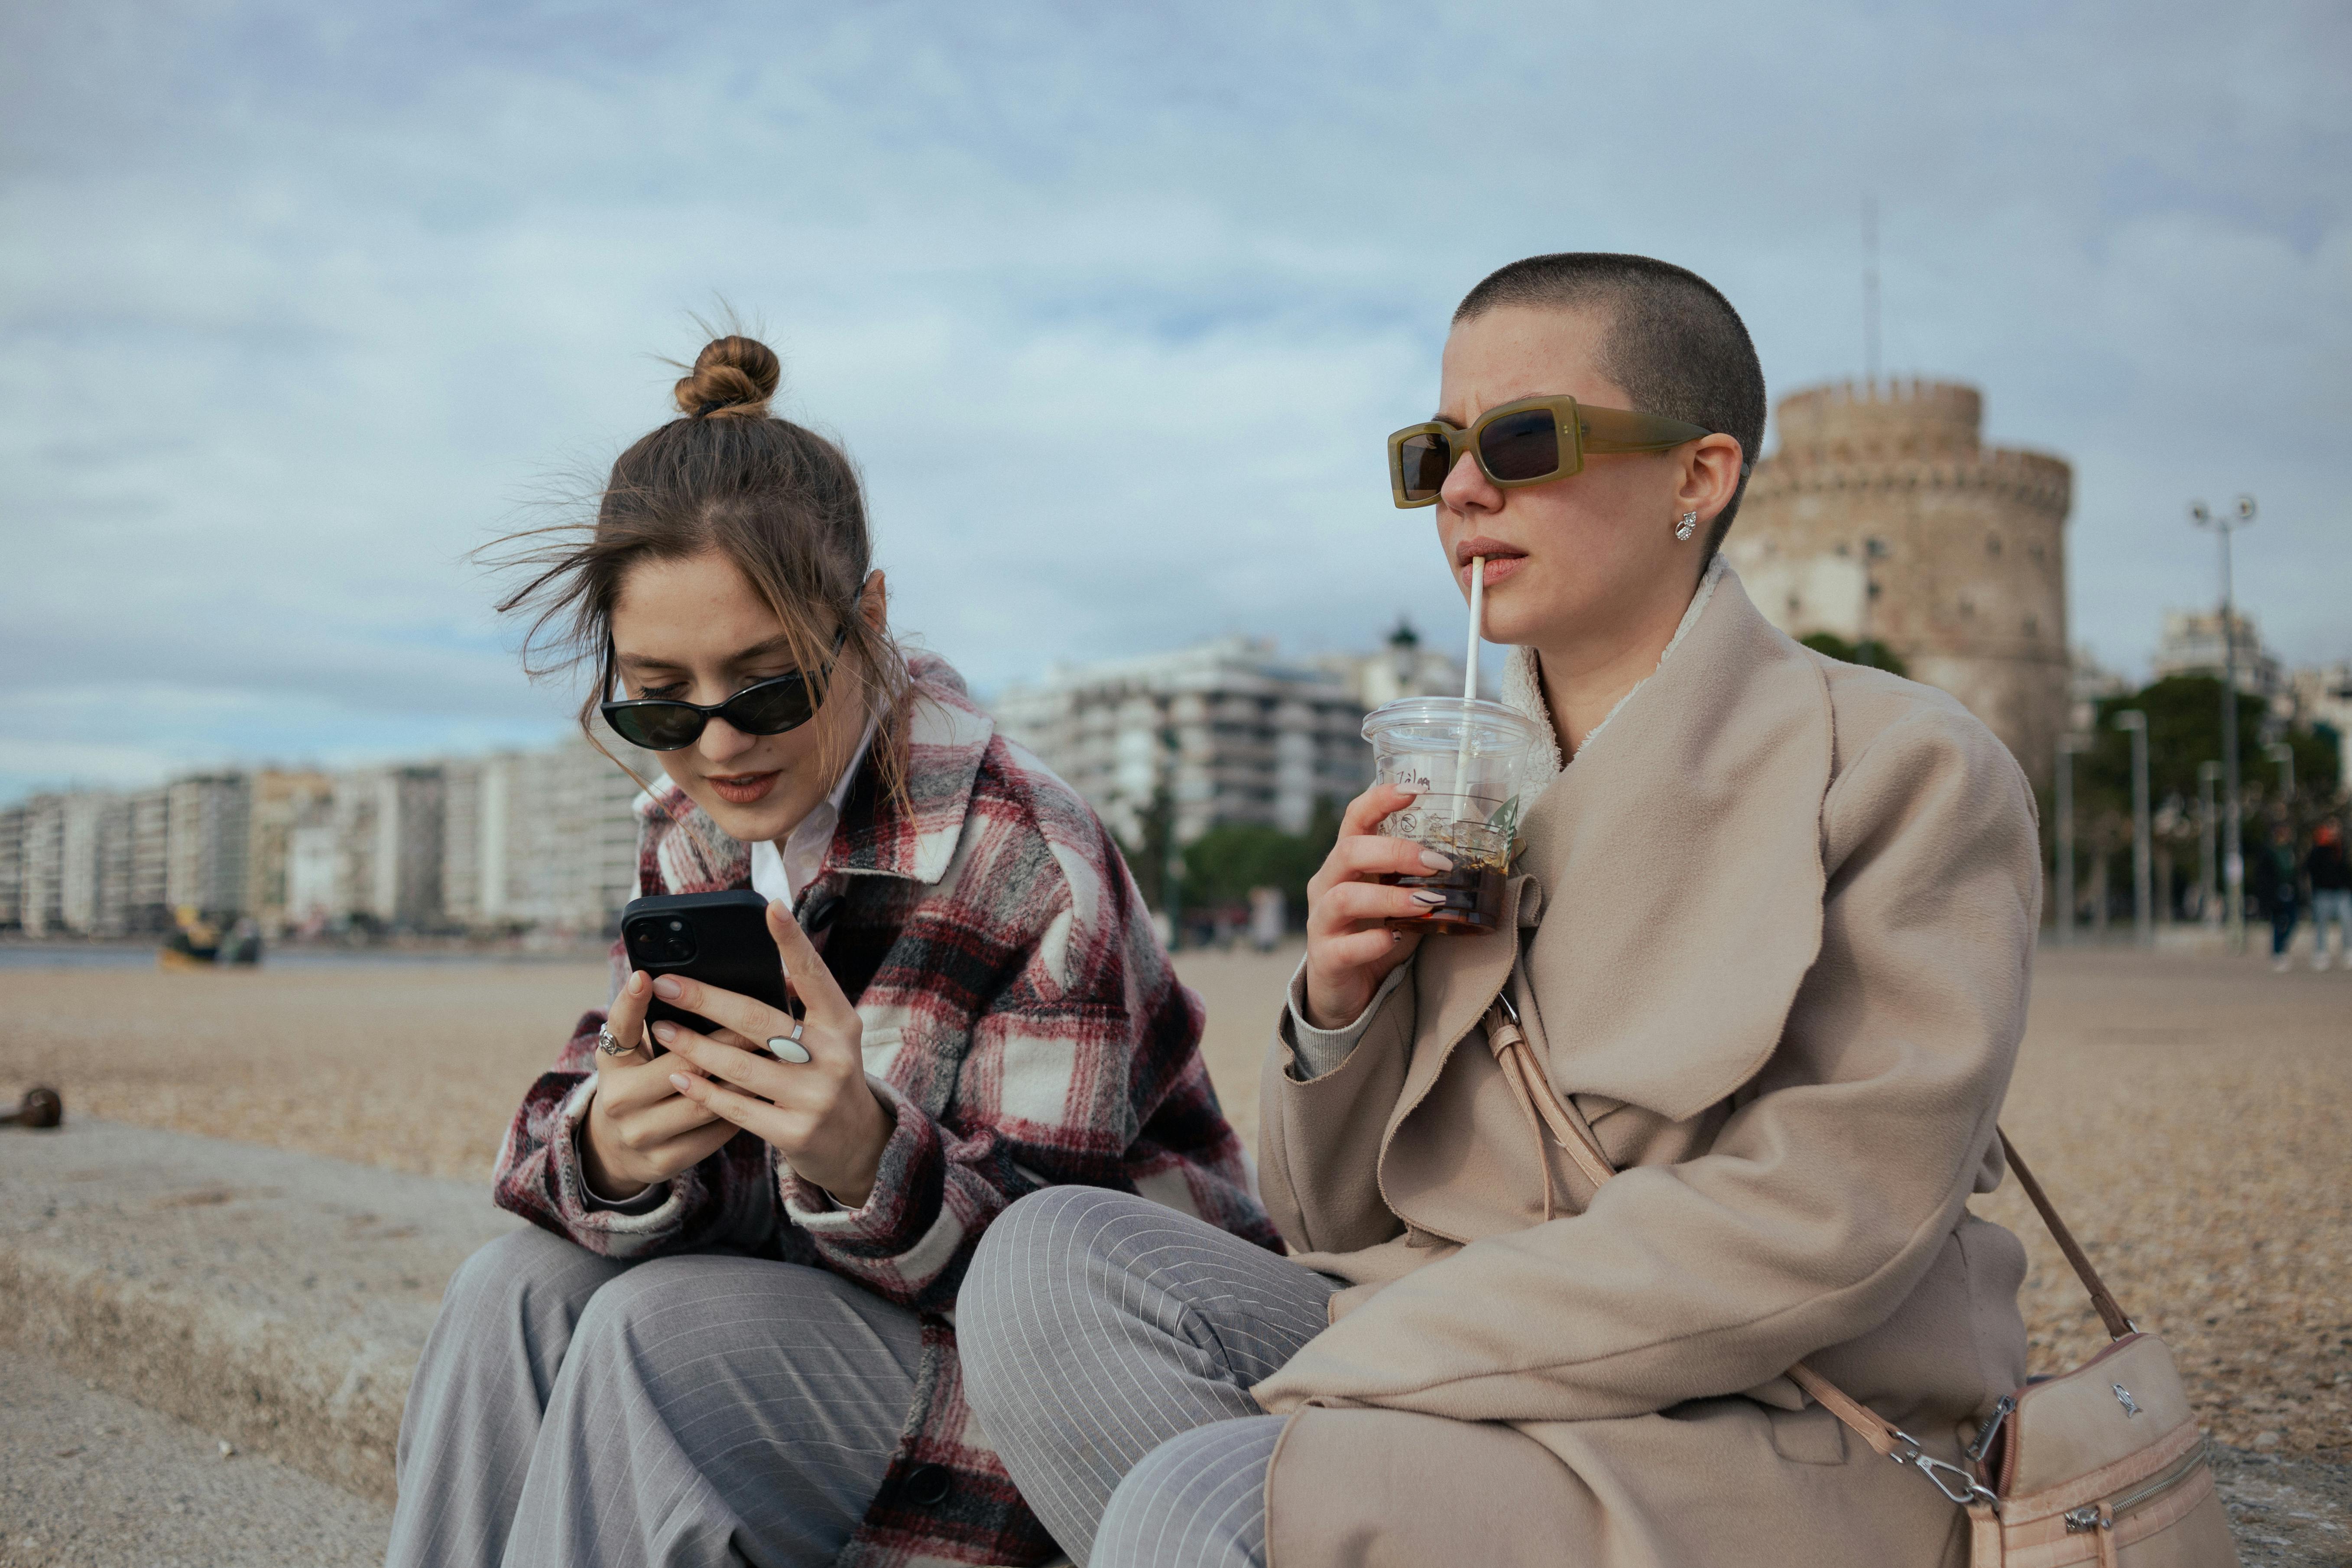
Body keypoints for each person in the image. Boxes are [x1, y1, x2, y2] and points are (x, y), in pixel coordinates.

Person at [958, 254, 2042, 1568]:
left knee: (1202, 1504)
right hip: (1455, 1351)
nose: (1464, 492)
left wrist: (1355, 1373)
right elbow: (1325, 1229)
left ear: (1700, 478)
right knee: (1046, 1259)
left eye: (1524, 441)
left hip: (1750, 1420)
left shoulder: (1899, 765)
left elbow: (1824, 1223)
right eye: (1435, 455)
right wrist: (1339, 1007)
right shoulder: (1447, 791)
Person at [386, 334, 1273, 1568]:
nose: (715, 744)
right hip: (842, 1320)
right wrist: (609, 1149)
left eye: (766, 686)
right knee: (512, 1291)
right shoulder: (693, 833)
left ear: (868, 619)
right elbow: (561, 1135)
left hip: (1097, 1382)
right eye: (656, 700)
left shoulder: (1026, 860)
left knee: (654, 1330)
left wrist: (862, 1149)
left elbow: (1046, 1290)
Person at [2304, 817, 2349, 970]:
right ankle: (2321, 953)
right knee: (2322, 924)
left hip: (2341, 892)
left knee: (2347, 922)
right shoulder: (2318, 850)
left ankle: (2348, 951)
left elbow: (2346, 871)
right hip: (2323, 892)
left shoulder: (2342, 849)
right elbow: (2310, 868)